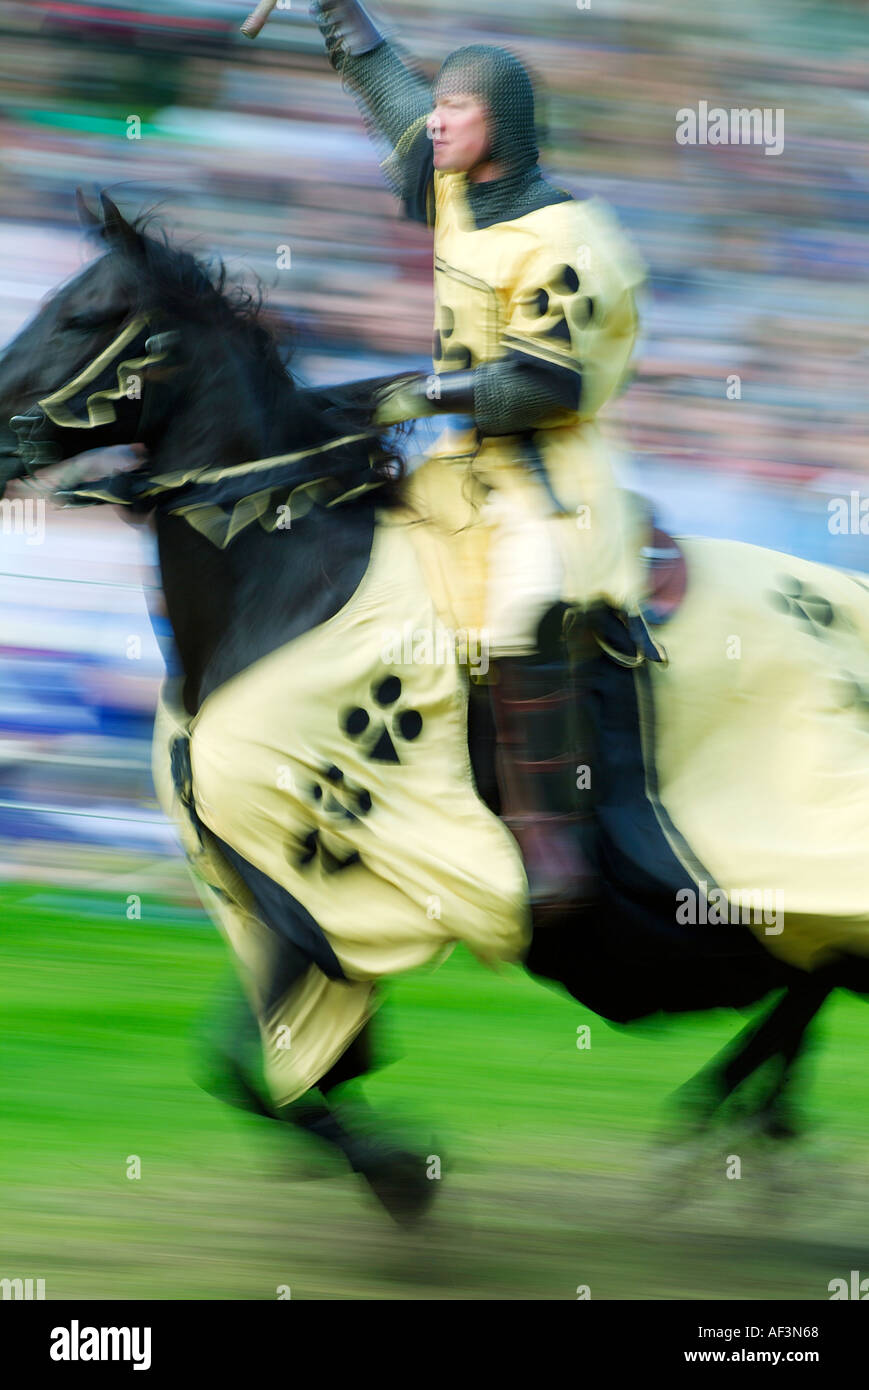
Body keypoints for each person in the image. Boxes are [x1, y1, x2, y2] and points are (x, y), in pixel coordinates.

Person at [311, 2, 649, 909]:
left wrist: (419, 393)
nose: (437, 120)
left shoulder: (569, 241)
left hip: (550, 481)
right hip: (459, 467)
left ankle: (553, 839)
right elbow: (394, 103)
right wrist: (341, 18)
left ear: (501, 126)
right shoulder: (458, 189)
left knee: (521, 608)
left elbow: (546, 388)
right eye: (441, 104)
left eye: (458, 107)